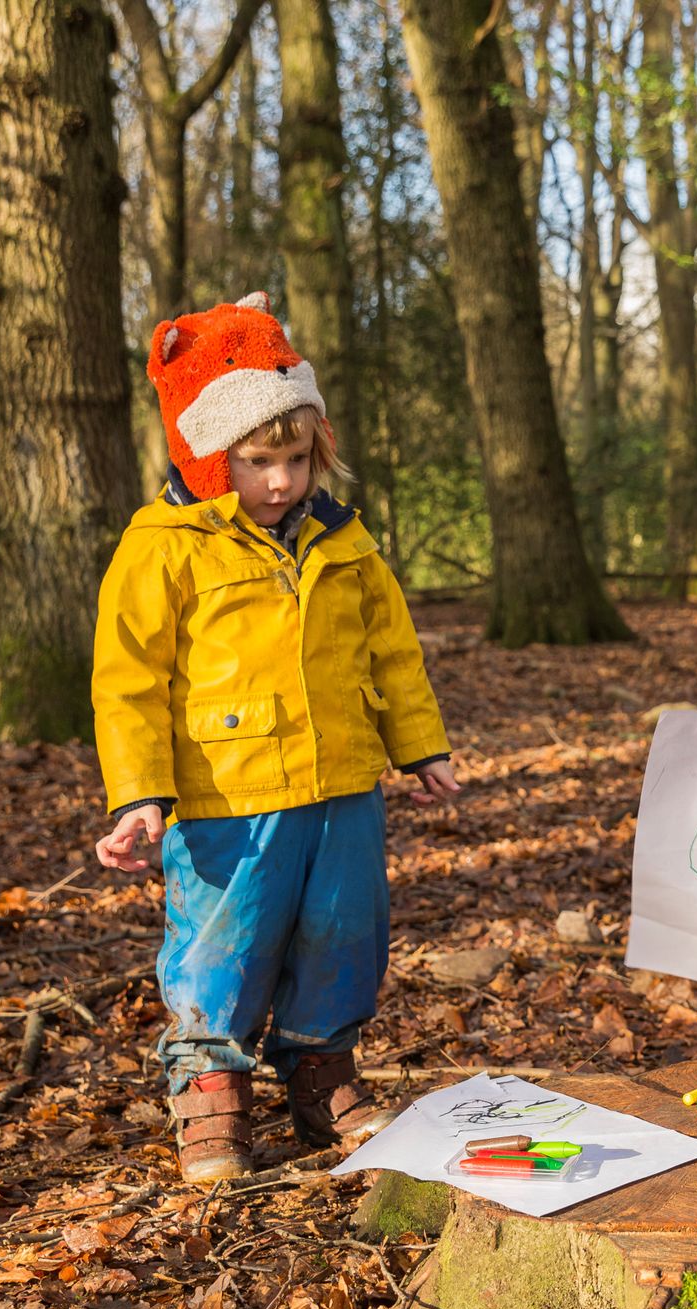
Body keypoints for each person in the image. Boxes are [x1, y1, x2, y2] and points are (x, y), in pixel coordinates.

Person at [92, 292, 459, 1185]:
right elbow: (129, 677)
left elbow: (393, 652)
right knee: (227, 943)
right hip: (226, 794)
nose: (282, 483)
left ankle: (322, 1070)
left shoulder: (346, 540)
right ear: (212, 456)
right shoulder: (165, 545)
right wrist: (139, 791)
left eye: (296, 459)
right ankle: (211, 1094)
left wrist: (420, 746)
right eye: (258, 463)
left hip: (341, 785)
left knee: (342, 933)